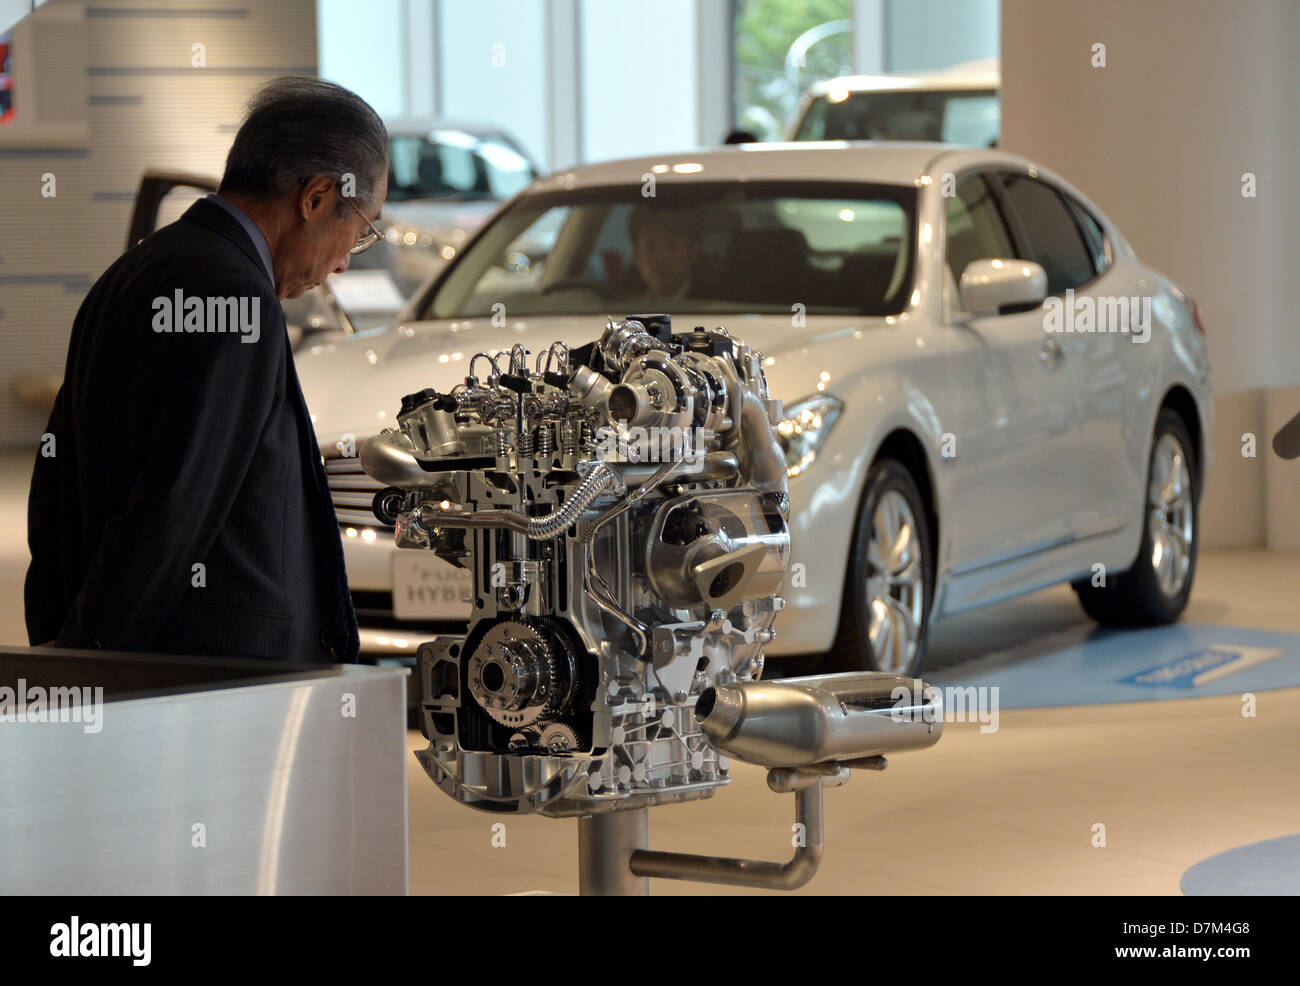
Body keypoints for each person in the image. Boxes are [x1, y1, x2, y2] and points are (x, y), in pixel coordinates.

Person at [24, 77, 389, 663]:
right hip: (216, 673)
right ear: (316, 198)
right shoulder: (236, 299)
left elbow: (55, 472)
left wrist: (58, 635)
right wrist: (90, 658)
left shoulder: (135, 269)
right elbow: (174, 508)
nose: (347, 260)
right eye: (363, 228)